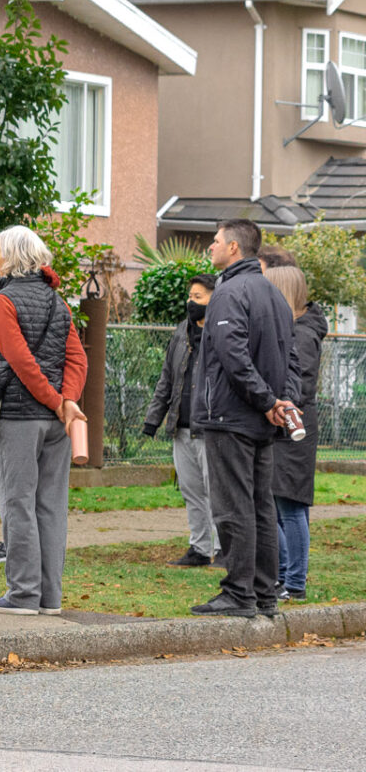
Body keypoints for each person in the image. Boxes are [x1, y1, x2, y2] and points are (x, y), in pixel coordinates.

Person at [192, 218, 300, 618]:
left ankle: (239, 593)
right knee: (259, 507)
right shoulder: (275, 296)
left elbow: (231, 354)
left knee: (233, 507)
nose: (211, 247)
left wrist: (267, 399)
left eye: (216, 241)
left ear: (234, 248)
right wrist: (280, 402)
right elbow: (292, 359)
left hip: (230, 417)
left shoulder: (228, 291)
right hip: (261, 419)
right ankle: (263, 594)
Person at [0, 224, 88, 616]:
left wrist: (54, 399)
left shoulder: (3, 300)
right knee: (51, 505)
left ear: (9, 257)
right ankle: (50, 597)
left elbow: (18, 359)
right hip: (58, 422)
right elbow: (78, 357)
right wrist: (67, 402)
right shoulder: (59, 302)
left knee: (17, 503)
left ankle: (23, 594)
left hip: (17, 415)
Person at [144, 273, 219, 567]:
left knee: (217, 494)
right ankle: (200, 549)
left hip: (211, 428)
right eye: (190, 297)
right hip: (181, 427)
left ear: (215, 299)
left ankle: (225, 549)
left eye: (198, 297)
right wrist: (154, 418)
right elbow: (167, 378)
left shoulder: (223, 332)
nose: (191, 302)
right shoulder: (181, 332)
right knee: (192, 492)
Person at [265, 264, 322, 603]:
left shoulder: (301, 333)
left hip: (295, 423)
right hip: (290, 421)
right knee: (280, 502)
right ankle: (286, 575)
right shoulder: (296, 328)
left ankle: (294, 580)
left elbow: (299, 381)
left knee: (290, 503)